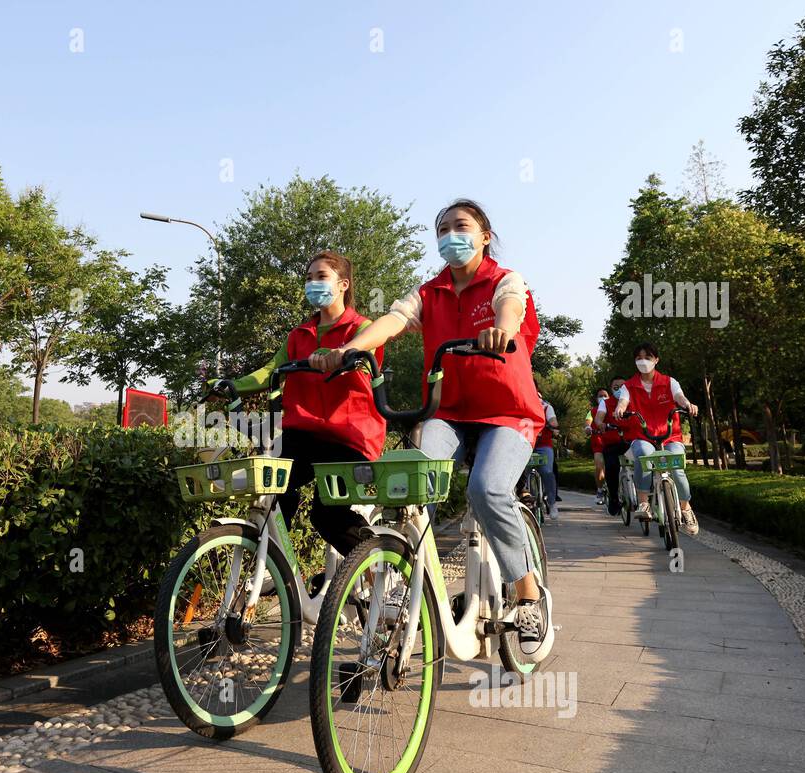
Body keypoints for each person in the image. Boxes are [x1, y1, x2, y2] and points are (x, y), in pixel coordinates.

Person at [312, 199, 547, 653]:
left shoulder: (504, 280)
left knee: (486, 489)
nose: (450, 235)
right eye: (442, 229)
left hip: (508, 411)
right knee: (412, 486)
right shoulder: (429, 292)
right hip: (449, 411)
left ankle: (528, 594)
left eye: (461, 226)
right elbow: (394, 320)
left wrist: (500, 328)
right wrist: (350, 349)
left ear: (484, 236)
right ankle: (406, 583)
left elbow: (512, 308)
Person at [226, 250, 385, 556]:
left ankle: (378, 565)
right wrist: (231, 386)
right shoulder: (299, 334)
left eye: (322, 277)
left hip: (348, 437)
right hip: (304, 434)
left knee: (327, 517)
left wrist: (337, 354)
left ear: (343, 284)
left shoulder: (363, 330)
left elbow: (364, 362)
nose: (313, 283)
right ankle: (276, 564)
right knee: (273, 486)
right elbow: (271, 371)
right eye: (309, 278)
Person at [611, 343, 700, 536]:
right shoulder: (629, 386)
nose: (643, 361)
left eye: (648, 357)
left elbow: (680, 396)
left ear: (656, 360)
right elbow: (623, 400)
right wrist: (620, 408)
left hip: (670, 436)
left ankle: (686, 509)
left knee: (677, 469)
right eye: (639, 358)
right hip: (643, 436)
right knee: (643, 454)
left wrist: (687, 404)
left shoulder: (669, 381)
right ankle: (644, 503)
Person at [592, 377, 630, 513]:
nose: (620, 389)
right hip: (613, 443)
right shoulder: (606, 404)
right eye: (616, 387)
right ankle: (614, 498)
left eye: (622, 386)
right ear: (611, 389)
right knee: (612, 466)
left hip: (632, 441)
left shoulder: (634, 399)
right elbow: (598, 417)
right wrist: (600, 423)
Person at [534, 390, 559, 518]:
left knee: (547, 472)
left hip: (543, 445)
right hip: (524, 444)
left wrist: (551, 424)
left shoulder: (546, 407)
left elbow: (554, 422)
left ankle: (552, 502)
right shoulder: (520, 405)